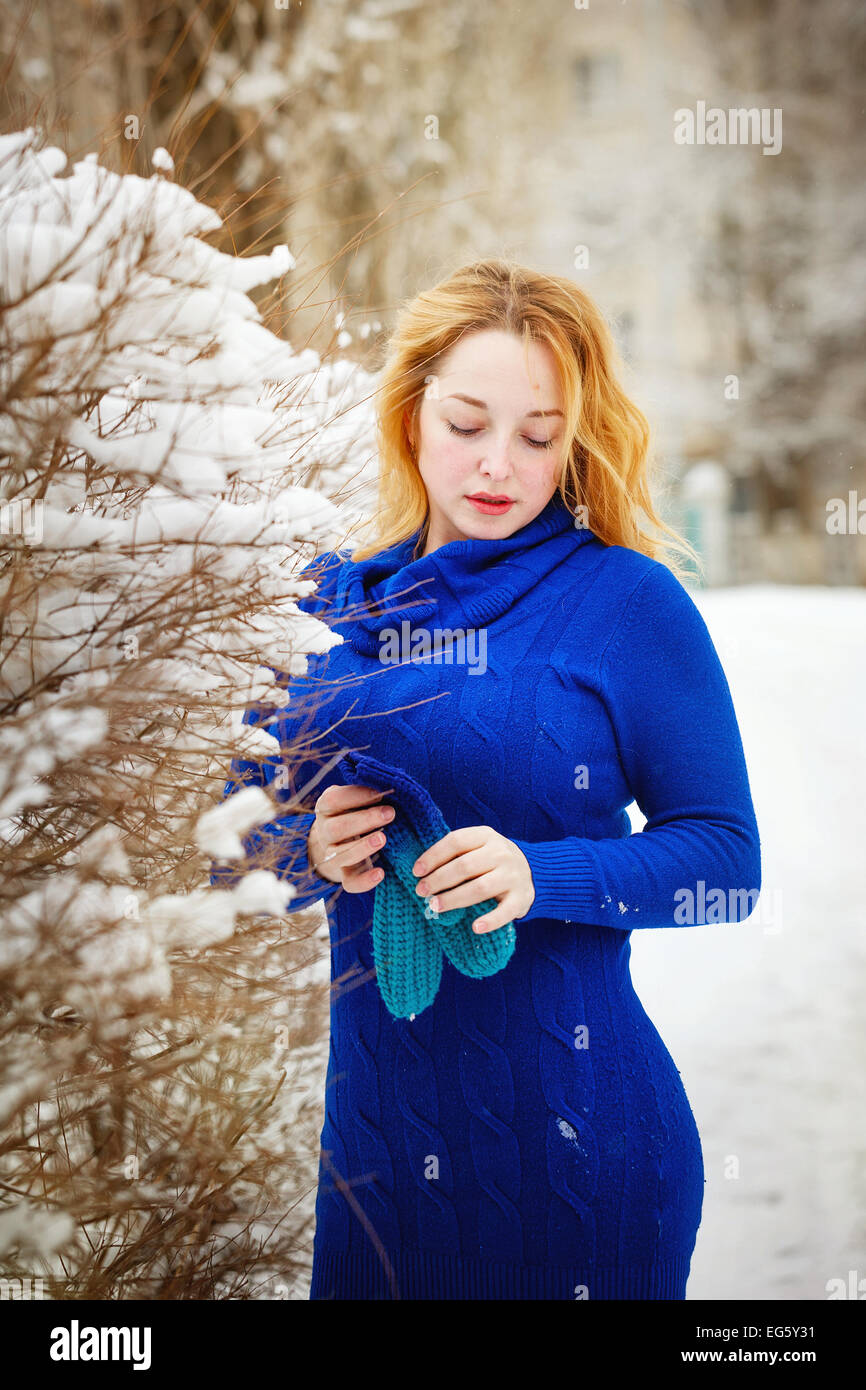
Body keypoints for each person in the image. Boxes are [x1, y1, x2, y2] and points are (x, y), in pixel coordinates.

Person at [210, 258, 762, 1300]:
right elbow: (224, 849)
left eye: (537, 434)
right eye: (466, 423)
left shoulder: (623, 602)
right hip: (376, 1168)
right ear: (410, 411)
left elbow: (725, 860)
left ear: (573, 437)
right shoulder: (321, 607)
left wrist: (539, 872)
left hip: (576, 1161)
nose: (497, 465)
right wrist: (304, 847)